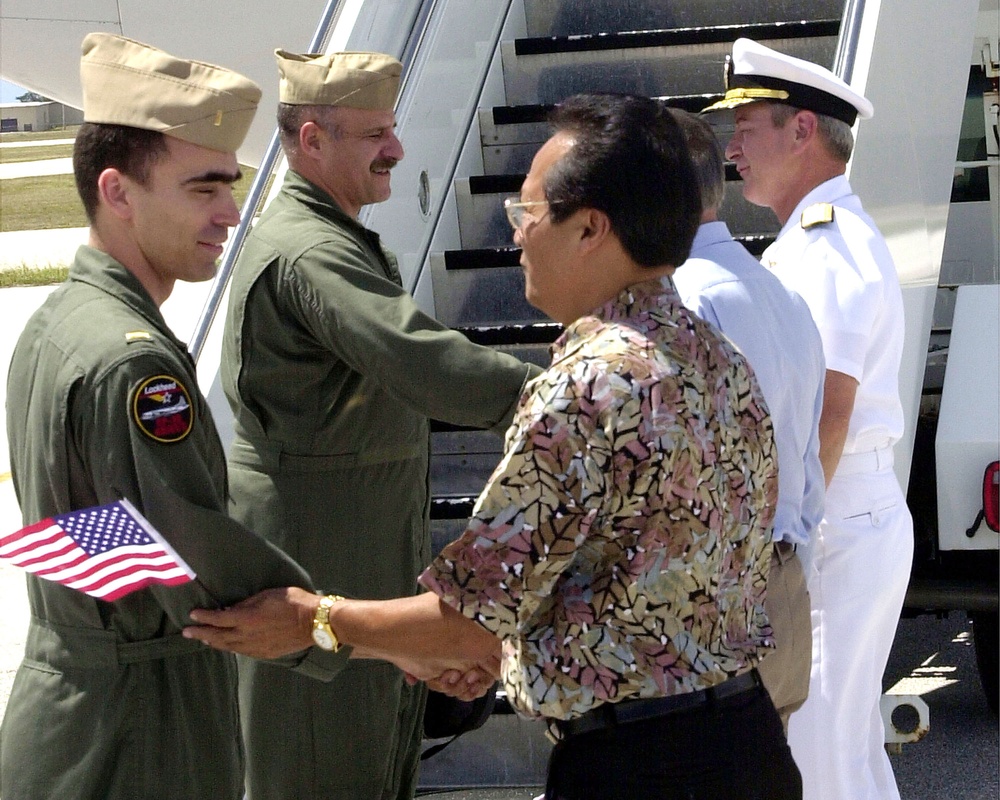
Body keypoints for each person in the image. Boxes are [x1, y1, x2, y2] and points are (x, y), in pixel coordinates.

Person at [188, 92, 802, 800]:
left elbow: (465, 624)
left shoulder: (585, 390)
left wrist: (311, 621)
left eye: (529, 213)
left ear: (591, 229)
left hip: (641, 766)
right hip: (748, 745)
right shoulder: (719, 363)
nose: (516, 236)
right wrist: (497, 647)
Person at [1, 33, 338, 800]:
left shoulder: (61, 319)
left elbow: (115, 532)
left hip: (74, 712)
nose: (230, 211)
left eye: (231, 185)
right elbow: (199, 568)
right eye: (203, 189)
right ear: (118, 192)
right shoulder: (134, 365)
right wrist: (340, 631)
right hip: (141, 732)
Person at [219, 49, 539, 800]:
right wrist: (572, 400)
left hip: (352, 557)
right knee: (323, 769)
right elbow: (421, 360)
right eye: (373, 136)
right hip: (318, 562)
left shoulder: (335, 238)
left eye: (391, 130)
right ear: (311, 143)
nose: (396, 149)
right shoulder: (310, 252)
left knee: (371, 762)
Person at [704, 38, 914, 800]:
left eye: (748, 124)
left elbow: (829, 412)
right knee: (843, 754)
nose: (733, 148)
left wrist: (784, 546)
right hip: (846, 516)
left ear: (802, 131)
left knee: (819, 757)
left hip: (831, 523)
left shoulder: (823, 244)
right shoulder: (814, 237)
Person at [668, 107, 826, 729]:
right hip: (778, 582)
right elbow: (807, 471)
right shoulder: (778, 291)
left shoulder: (681, 300)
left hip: (716, 603)